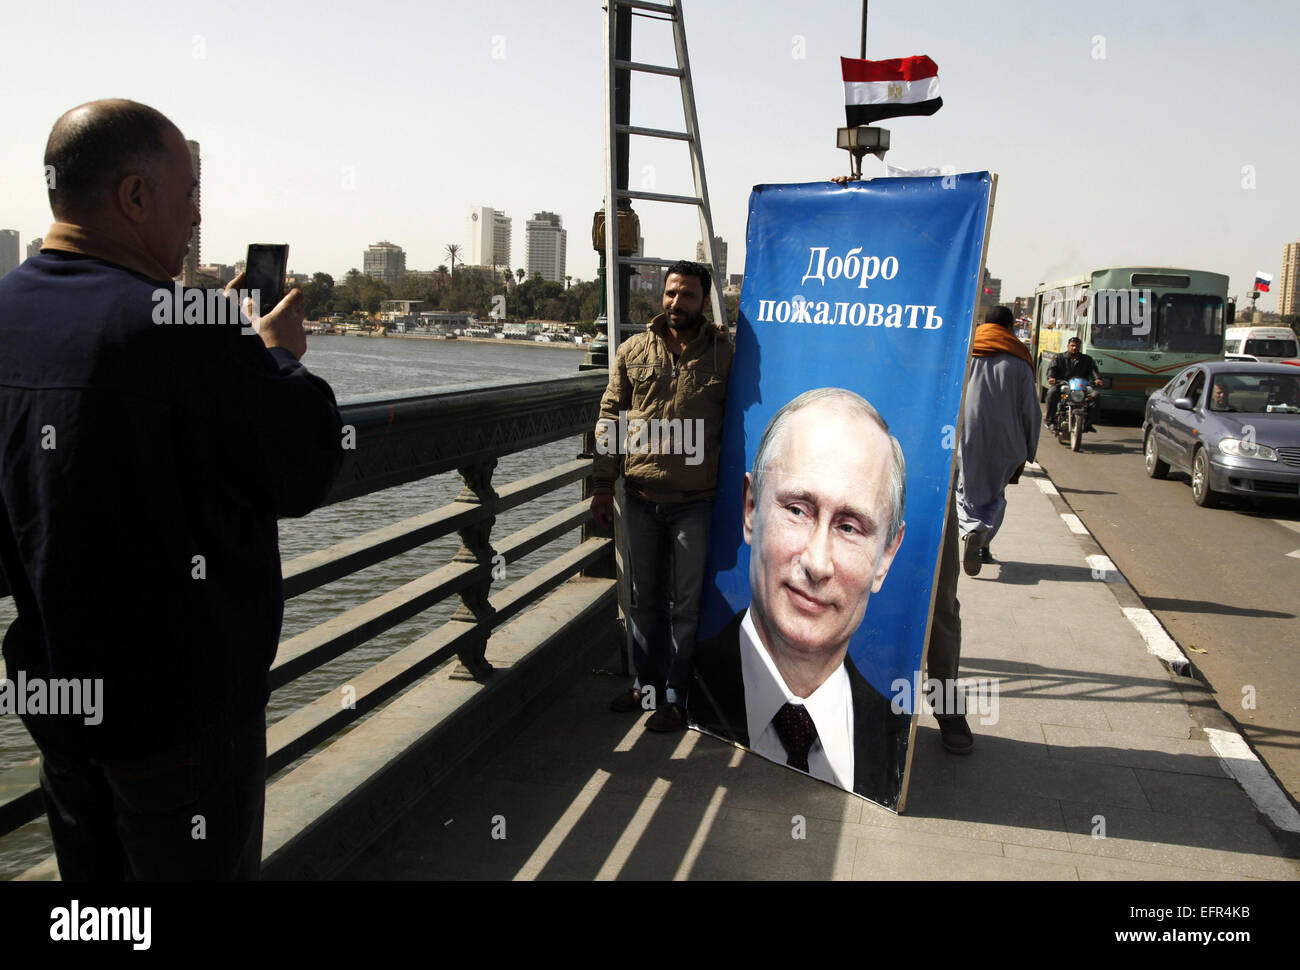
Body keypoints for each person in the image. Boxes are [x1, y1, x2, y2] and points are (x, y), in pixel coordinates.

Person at [0, 100, 343, 879]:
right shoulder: (187, 330)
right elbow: (304, 464)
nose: (195, 219)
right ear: (133, 197)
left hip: (58, 705)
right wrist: (278, 358)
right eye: (189, 195)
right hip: (180, 718)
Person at [687, 388, 912, 808]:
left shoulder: (896, 736)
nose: (817, 562)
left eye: (849, 527)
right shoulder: (685, 684)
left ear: (886, 556)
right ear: (751, 508)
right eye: (797, 509)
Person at [591, 260, 732, 733]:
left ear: (703, 300)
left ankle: (676, 697)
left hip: (696, 501)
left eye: (687, 295)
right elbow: (610, 418)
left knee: (686, 605)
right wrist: (601, 485)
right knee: (643, 600)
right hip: (640, 496)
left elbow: (739, 428)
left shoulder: (724, 356)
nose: (676, 302)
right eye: (670, 293)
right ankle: (645, 685)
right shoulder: (633, 351)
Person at [957, 306, 1041, 577]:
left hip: (965, 433)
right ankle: (983, 538)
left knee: (964, 489)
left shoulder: (966, 350)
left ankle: (971, 530)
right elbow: (1030, 408)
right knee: (995, 494)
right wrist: (1030, 447)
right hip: (1007, 438)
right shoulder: (1019, 358)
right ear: (1011, 326)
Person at [1045, 336, 1103, 431]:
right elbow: (1052, 369)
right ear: (1068, 346)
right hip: (1063, 385)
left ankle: (1089, 423)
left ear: (1080, 347)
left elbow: (1093, 371)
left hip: (1081, 387)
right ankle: (1050, 421)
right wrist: (1051, 378)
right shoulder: (1058, 358)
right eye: (1072, 346)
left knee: (1095, 395)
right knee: (1052, 392)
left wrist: (1097, 379)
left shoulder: (1087, 359)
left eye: (1076, 346)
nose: (1074, 348)